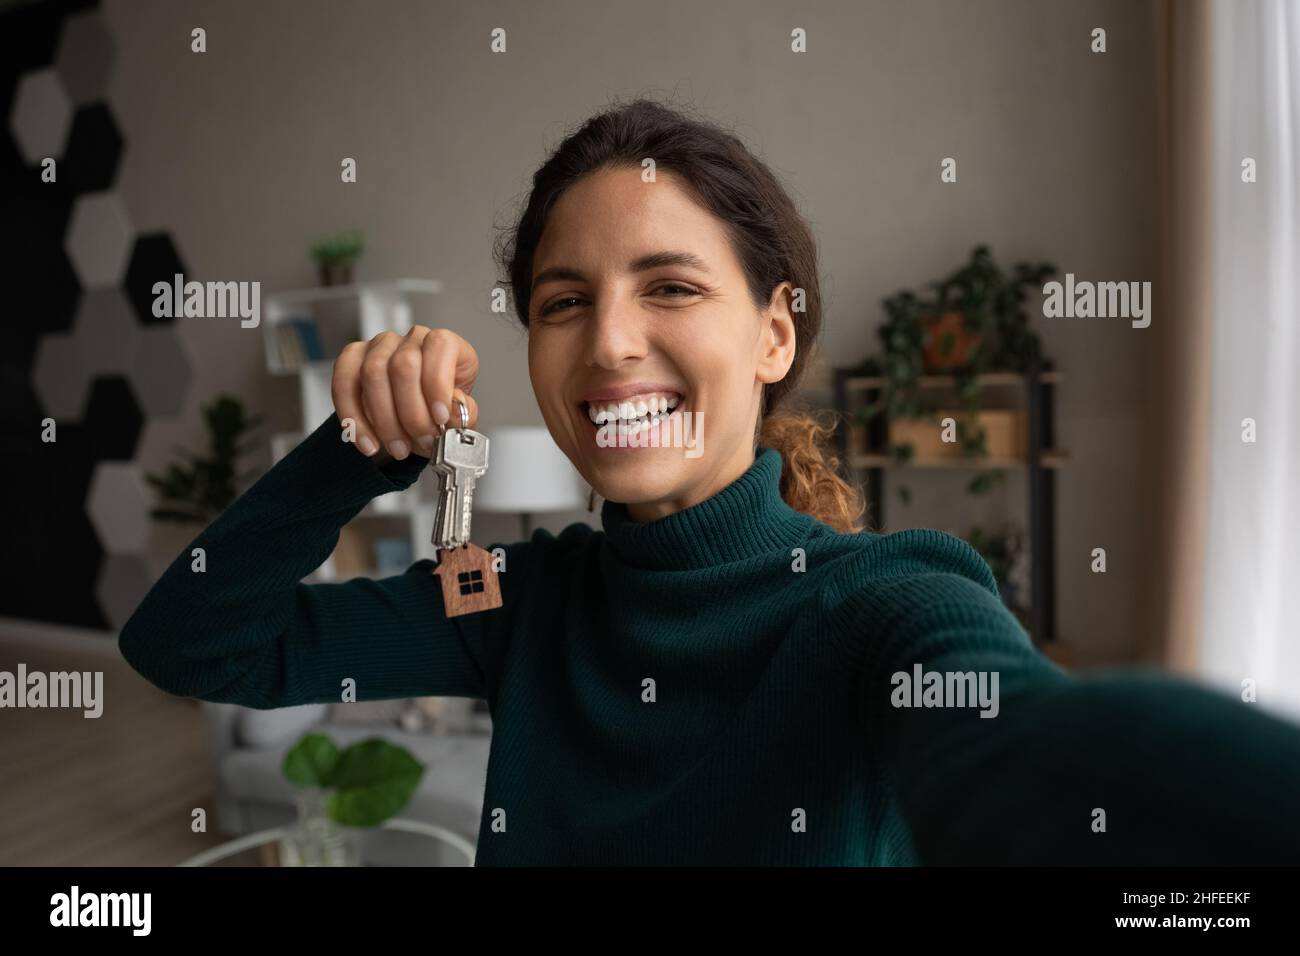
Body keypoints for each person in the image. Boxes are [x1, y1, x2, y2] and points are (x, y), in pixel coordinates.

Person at [119, 98, 1300, 865]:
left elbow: (1023, 749)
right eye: (563, 301)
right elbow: (193, 644)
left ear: (774, 335)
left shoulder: (889, 597)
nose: (611, 342)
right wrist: (354, 447)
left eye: (671, 286)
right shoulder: (514, 600)